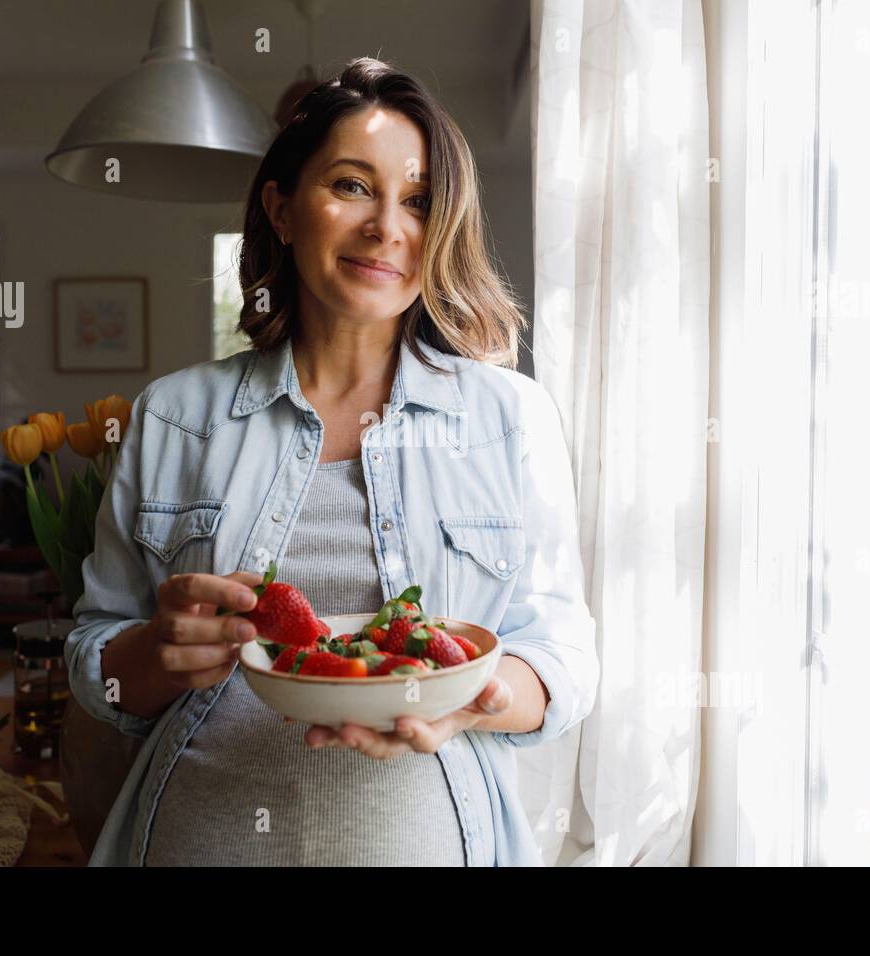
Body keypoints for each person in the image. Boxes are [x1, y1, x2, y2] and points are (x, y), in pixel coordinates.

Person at [66, 57, 597, 866]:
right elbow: (99, 659)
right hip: (198, 838)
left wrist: (474, 698)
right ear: (280, 208)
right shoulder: (173, 415)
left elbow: (562, 656)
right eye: (351, 186)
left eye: (418, 201)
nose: (388, 226)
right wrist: (153, 652)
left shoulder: (510, 417)